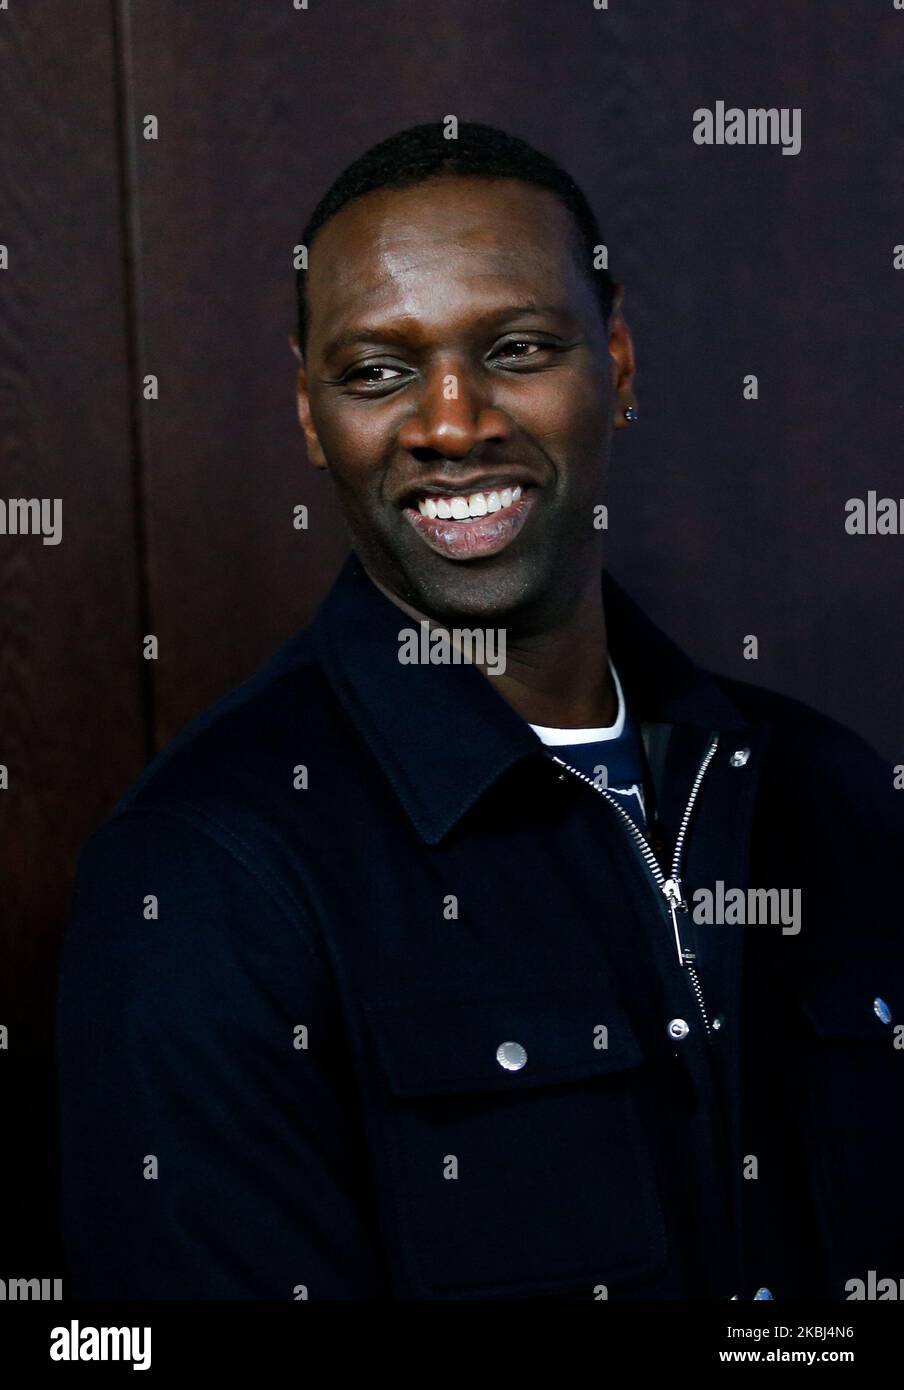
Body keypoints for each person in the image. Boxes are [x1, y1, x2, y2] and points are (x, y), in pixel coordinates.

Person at [57, 122, 904, 1300]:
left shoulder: (833, 789)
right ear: (311, 416)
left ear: (615, 361)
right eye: (376, 372)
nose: (452, 423)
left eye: (514, 347)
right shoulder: (206, 876)